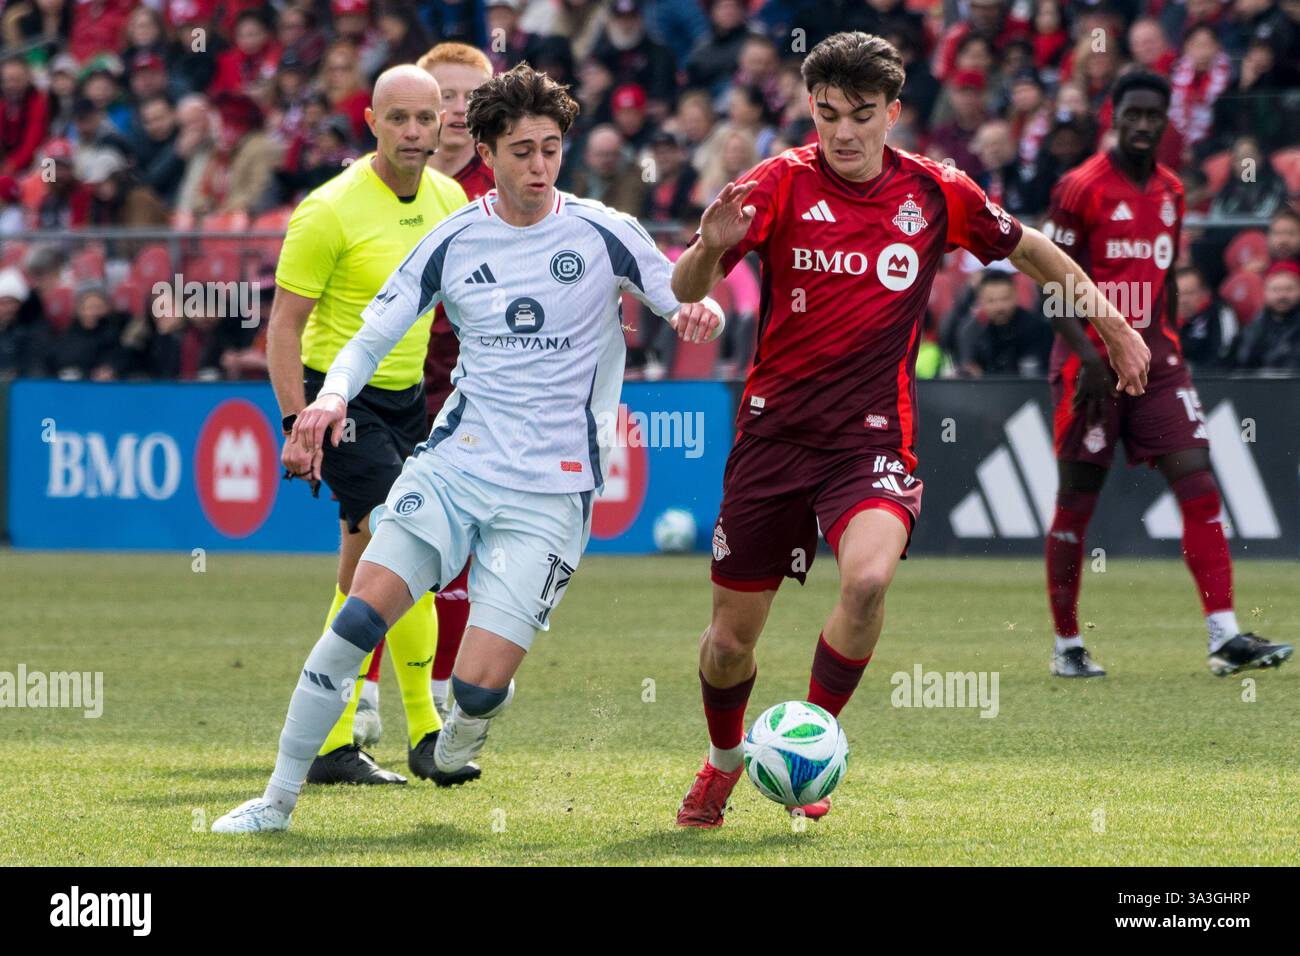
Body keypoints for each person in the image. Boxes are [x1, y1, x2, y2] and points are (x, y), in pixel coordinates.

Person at [212, 63, 722, 833]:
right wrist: (328, 397)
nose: (540, 166)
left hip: (553, 488)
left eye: (552, 148)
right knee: (355, 621)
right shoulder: (454, 239)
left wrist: (698, 306)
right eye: (522, 150)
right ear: (486, 152)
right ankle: (275, 801)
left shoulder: (604, 230)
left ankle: (457, 735)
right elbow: (370, 334)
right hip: (456, 465)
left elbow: (676, 290)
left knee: (479, 689)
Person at [669, 31, 1149, 828]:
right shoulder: (777, 183)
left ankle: (813, 744)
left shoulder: (935, 190)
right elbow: (691, 279)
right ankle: (722, 766)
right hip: (773, 440)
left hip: (869, 443)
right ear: (809, 111)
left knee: (865, 582)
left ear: (893, 111)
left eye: (862, 115)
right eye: (827, 116)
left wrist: (1115, 327)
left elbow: (1034, 252)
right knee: (727, 645)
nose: (844, 133)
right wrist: (708, 251)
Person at [260, 65, 472, 789]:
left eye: (427, 118)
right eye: (399, 119)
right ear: (371, 122)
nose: (415, 132)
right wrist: (297, 421)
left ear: (444, 121)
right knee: (405, 537)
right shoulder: (329, 210)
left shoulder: (450, 199)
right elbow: (283, 328)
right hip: (337, 400)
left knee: (363, 568)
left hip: (408, 400)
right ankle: (425, 732)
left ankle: (335, 741)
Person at [1042, 71, 1292, 680]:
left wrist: (1170, 343)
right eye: (1134, 113)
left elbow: (1166, 279)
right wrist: (1092, 356)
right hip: (1091, 366)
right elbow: (1052, 283)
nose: (1144, 124)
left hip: (1156, 362)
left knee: (1199, 484)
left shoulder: (1174, 190)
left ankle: (1224, 636)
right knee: (1076, 505)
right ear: (1114, 114)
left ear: (1167, 121)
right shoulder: (1079, 189)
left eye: (1155, 115)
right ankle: (1067, 645)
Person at [338, 41, 497, 741]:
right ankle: (360, 694)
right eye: (445, 96)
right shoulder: (371, 189)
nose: (457, 110)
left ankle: (434, 695)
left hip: (476, 393)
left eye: (469, 97)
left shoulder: (509, 188)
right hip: (392, 391)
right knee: (378, 539)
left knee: (461, 550)